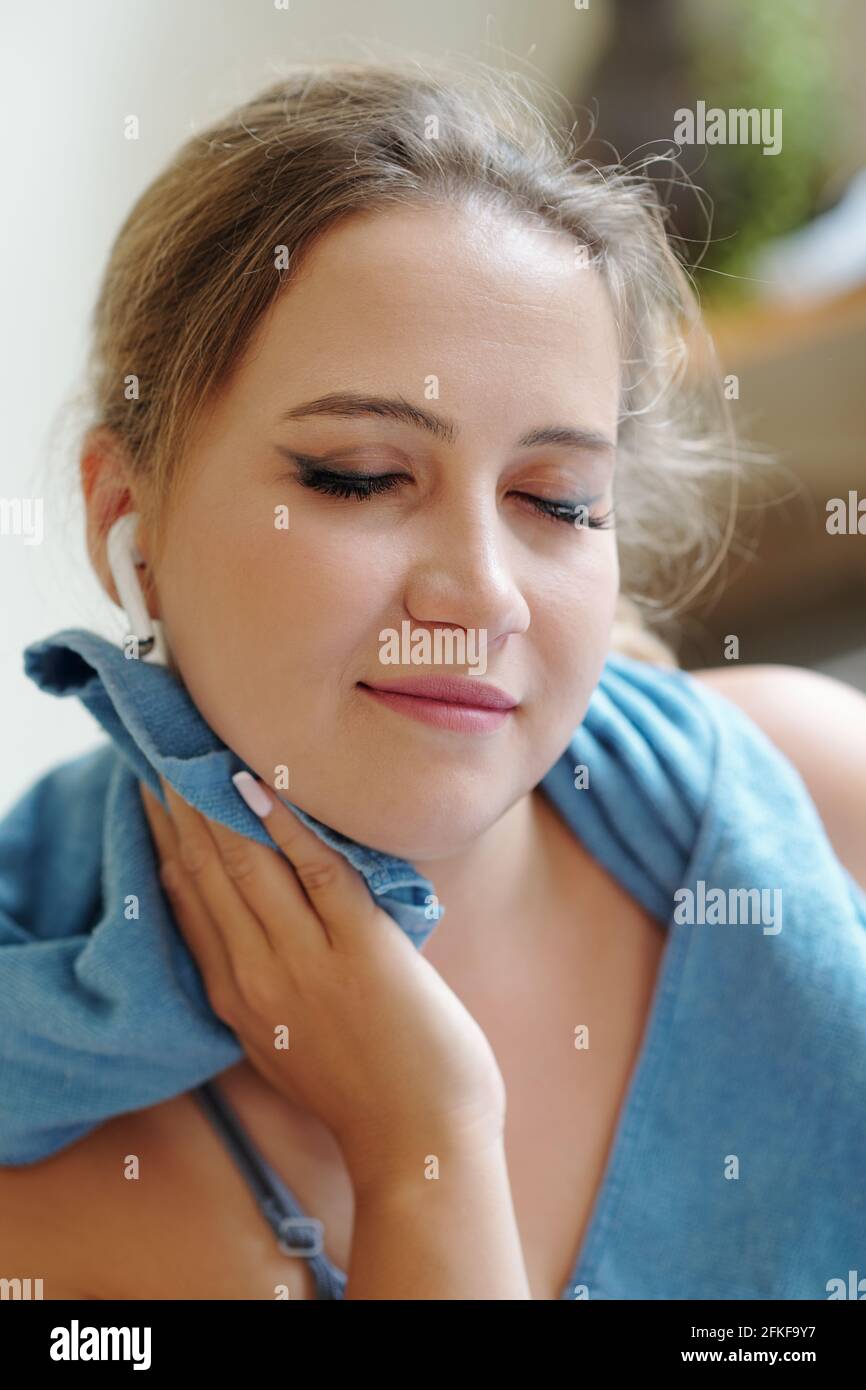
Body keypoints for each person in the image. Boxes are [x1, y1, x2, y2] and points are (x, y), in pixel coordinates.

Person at [1, 56, 865, 1303]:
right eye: (358, 476)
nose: (482, 593)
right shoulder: (52, 1106)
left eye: (554, 502)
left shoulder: (814, 805)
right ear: (127, 515)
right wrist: (425, 1150)